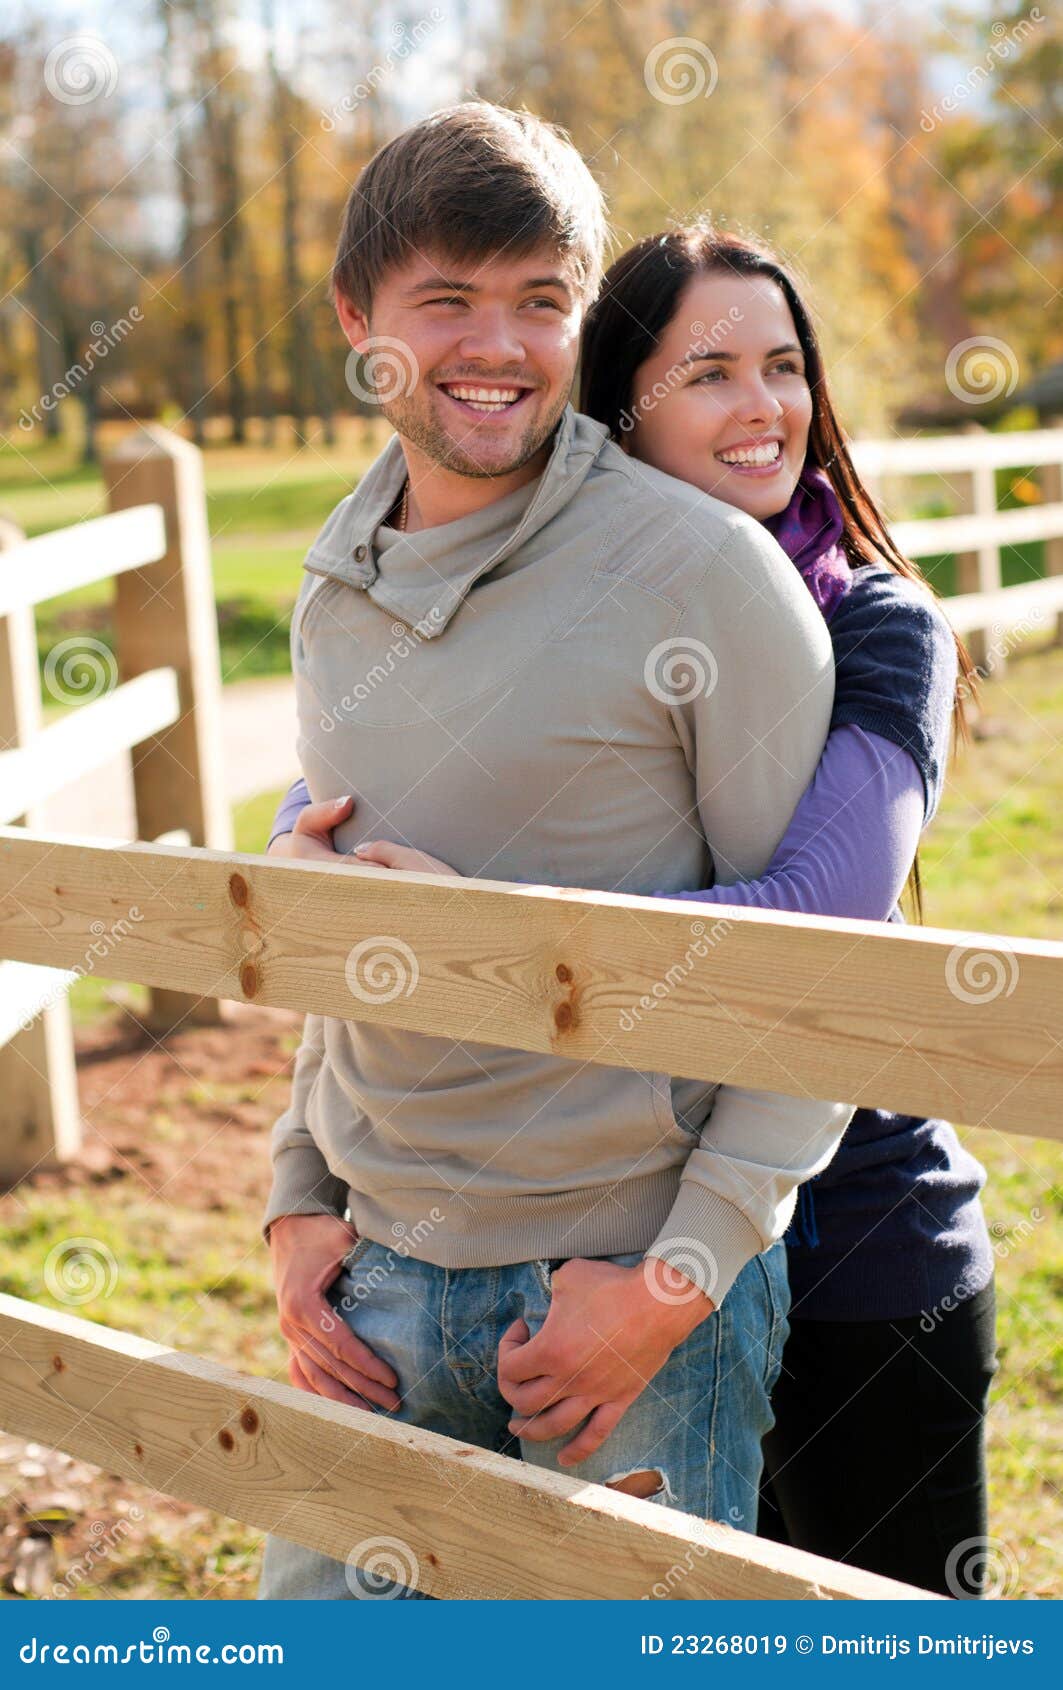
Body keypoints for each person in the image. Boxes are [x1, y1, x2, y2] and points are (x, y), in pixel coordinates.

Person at [273, 220, 1000, 1601]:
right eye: (711, 372)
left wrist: (484, 931)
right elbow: (362, 840)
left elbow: (810, 923)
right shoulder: (546, 614)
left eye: (785, 366)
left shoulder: (876, 626)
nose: (767, 407)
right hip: (618, 1232)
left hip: (854, 1245)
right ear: (621, 405)